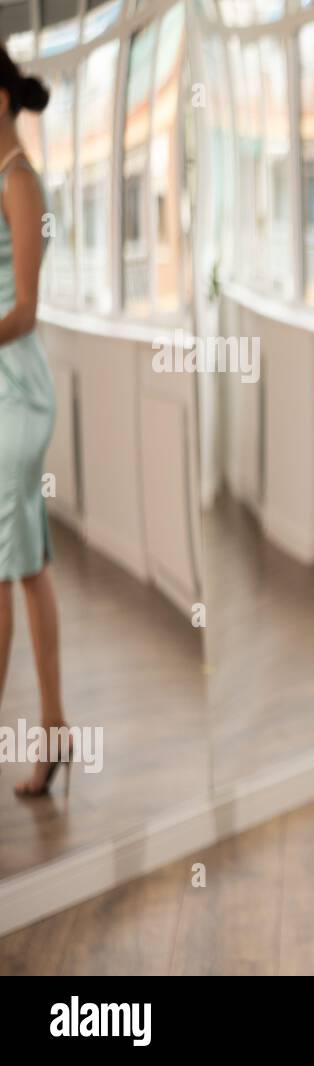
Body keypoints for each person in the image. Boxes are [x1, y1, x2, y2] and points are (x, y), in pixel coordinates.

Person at [0, 49, 71, 799]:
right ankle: (55, 732)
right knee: (28, 564)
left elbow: (25, 310)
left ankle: (50, 734)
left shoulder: (20, 181)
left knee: (2, 565)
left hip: (15, 390)